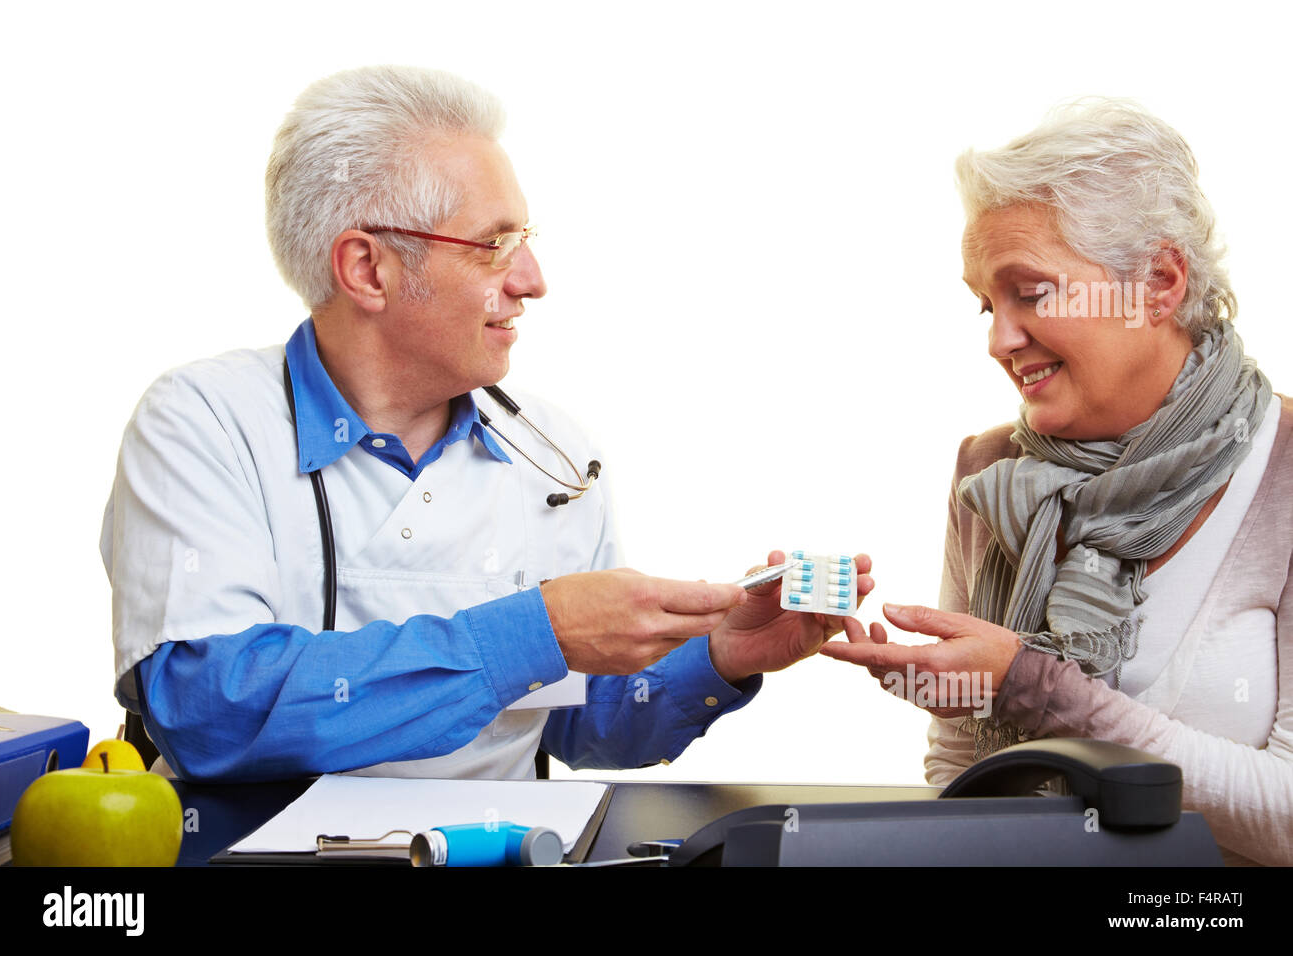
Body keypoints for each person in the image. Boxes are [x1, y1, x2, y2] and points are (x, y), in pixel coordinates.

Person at [99, 65, 871, 783]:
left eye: (527, 242)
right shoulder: (204, 423)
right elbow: (207, 708)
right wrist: (536, 634)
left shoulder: (556, 452)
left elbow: (580, 724)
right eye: (496, 244)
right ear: (369, 269)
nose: (533, 281)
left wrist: (721, 659)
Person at [821, 99, 1292, 866]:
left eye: (1030, 294)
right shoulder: (991, 473)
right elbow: (958, 771)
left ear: (1159, 282)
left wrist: (1032, 687)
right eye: (986, 303)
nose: (998, 341)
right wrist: (964, 688)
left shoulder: (1283, 470)